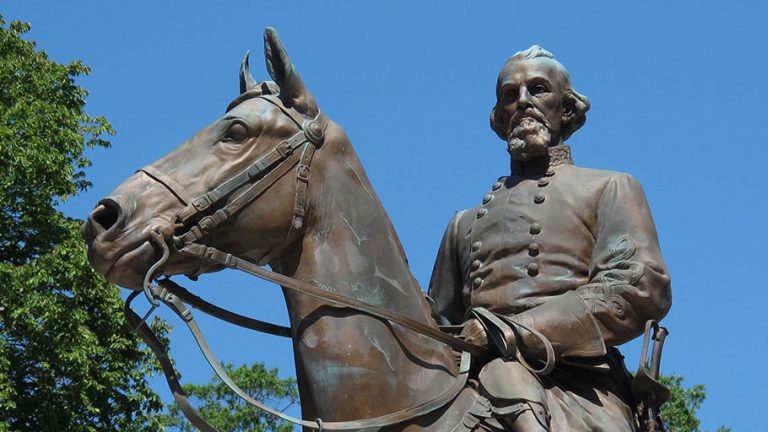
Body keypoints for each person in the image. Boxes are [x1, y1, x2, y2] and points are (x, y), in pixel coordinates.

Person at [427, 45, 672, 431]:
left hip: (579, 383)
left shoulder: (609, 187)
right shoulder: (463, 224)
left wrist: (509, 331)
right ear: (499, 117)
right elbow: (437, 327)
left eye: (537, 89)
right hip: (475, 382)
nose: (523, 101)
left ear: (567, 108)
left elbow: (637, 289)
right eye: (510, 95)